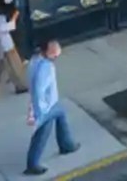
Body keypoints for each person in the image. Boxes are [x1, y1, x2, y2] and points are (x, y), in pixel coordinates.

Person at [25, 40, 79, 176]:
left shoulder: (35, 60)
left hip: (45, 105)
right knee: (43, 131)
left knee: (59, 114)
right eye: (54, 55)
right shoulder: (46, 68)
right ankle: (33, 164)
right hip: (45, 107)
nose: (56, 57)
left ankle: (66, 144)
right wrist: (42, 110)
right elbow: (39, 90)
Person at [0, 1, 29, 99]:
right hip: (4, 45)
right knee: (10, 67)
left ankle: (18, 86)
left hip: (4, 45)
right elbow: (5, 28)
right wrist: (15, 16)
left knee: (9, 67)